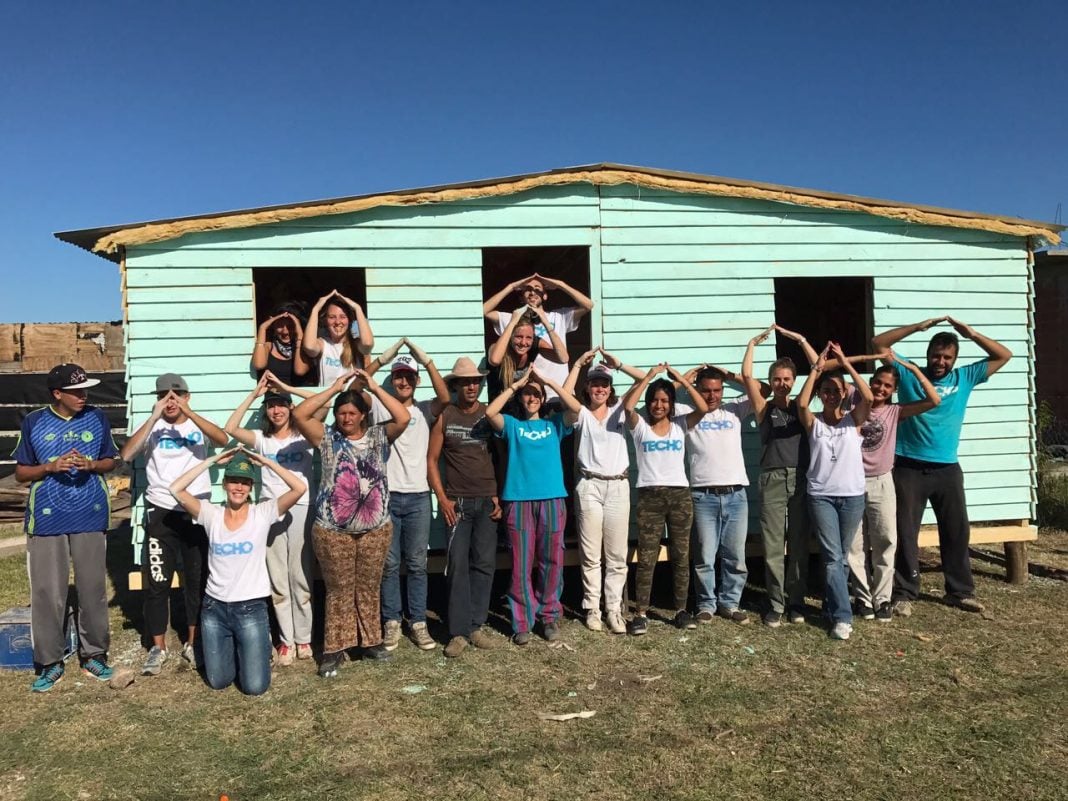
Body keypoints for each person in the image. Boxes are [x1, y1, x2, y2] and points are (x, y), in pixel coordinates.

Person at [872, 317, 1012, 615]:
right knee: (905, 532)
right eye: (936, 355)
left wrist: (971, 333)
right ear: (928, 354)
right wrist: (916, 326)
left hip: (947, 468)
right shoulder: (909, 374)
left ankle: (959, 591)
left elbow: (1003, 355)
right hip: (908, 466)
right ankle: (905, 593)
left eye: (947, 357)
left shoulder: (966, 377)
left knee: (956, 530)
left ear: (955, 359)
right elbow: (880, 345)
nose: (941, 361)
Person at [292, 369, 410, 678]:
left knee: (369, 587)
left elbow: (403, 417)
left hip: (376, 528)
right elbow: (300, 414)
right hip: (333, 531)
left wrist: (373, 386)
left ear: (362, 415)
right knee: (339, 589)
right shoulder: (327, 438)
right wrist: (334, 388)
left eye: (352, 413)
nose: (346, 418)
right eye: (341, 413)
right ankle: (334, 649)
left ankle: (370, 642)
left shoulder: (378, 437)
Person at [14, 364, 119, 693]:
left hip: (90, 513)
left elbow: (111, 460)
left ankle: (94, 654)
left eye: (86, 389)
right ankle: (50, 661)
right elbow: (21, 473)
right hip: (46, 519)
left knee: (92, 589)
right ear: (57, 394)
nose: (83, 395)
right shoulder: (34, 422)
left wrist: (90, 465)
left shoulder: (97, 417)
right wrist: (49, 466)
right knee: (48, 593)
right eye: (76, 391)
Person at [168, 447, 306, 695]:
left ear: (251, 487)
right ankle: (238, 647)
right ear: (225, 484)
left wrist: (264, 461)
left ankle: (259, 646)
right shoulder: (211, 514)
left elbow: (299, 488)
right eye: (234, 481)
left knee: (254, 686)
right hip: (214, 609)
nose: (239, 488)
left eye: (245, 482)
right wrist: (213, 460)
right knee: (219, 681)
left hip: (250, 608)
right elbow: (175, 489)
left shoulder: (262, 513)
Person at [120, 373, 229, 676]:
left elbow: (223, 440)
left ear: (187, 396)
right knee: (157, 582)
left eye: (177, 394)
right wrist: (154, 418)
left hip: (195, 511)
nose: (170, 400)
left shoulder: (196, 424)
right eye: (163, 395)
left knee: (197, 581)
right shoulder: (152, 428)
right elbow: (127, 454)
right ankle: (158, 647)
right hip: (161, 512)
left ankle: (193, 643)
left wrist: (189, 412)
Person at [224, 373, 317, 665]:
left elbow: (320, 405)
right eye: (271, 406)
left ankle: (304, 639)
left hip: (302, 505)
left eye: (281, 405)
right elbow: (231, 427)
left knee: (300, 576)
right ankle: (285, 641)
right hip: (270, 511)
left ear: (290, 407)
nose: (276, 410)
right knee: (278, 578)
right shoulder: (262, 440)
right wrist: (255, 395)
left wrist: (288, 388)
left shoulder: (305, 436)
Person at [365, 338, 450, 653]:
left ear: (416, 381)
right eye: (398, 376)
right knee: (389, 564)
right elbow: (362, 382)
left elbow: (445, 396)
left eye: (408, 376)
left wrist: (423, 358)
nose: (402, 381)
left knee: (416, 563)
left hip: (417, 498)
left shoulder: (426, 409)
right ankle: (391, 622)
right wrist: (385, 358)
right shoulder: (379, 406)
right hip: (386, 497)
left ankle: (417, 621)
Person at [485, 369, 580, 645]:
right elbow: (491, 413)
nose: (532, 398)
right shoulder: (513, 426)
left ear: (543, 398)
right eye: (529, 394)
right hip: (519, 501)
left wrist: (549, 383)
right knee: (520, 563)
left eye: (536, 394)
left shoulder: (554, 425)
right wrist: (515, 386)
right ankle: (522, 621)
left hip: (552, 499)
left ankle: (549, 616)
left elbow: (576, 408)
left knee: (552, 560)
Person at [845, 353, 940, 623]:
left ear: (893, 390)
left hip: (882, 481)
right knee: (855, 544)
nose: (880, 389)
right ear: (870, 382)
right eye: (877, 383)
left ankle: (882, 599)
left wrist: (911, 368)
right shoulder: (854, 398)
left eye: (887, 386)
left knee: (886, 539)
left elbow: (934, 400)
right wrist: (861, 358)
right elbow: (831, 367)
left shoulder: (894, 411)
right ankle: (863, 599)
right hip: (851, 481)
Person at [741, 324, 819, 627]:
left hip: (800, 477)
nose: (782, 384)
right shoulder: (765, 408)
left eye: (787, 379)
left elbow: (818, 367)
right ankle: (775, 603)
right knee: (773, 544)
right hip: (772, 478)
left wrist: (800, 337)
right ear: (771, 382)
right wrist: (752, 344)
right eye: (777, 379)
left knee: (799, 543)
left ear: (794, 381)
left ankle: (796, 602)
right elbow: (747, 376)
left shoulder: (803, 406)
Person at [563, 348, 644, 634]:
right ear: (587, 387)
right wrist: (577, 365)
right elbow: (563, 393)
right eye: (595, 383)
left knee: (617, 554)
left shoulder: (621, 410)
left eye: (604, 383)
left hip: (618, 485)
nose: (599, 388)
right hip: (589, 485)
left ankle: (614, 610)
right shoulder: (581, 413)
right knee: (590, 554)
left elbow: (643, 379)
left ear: (610, 389)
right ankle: (592, 609)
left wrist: (617, 363)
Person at [623, 364, 708, 635]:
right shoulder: (639, 427)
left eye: (664, 400)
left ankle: (681, 610)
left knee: (681, 555)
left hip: (679, 496)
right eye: (654, 400)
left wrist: (681, 380)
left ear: (672, 404)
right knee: (646, 557)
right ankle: (641, 613)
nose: (659, 405)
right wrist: (648, 378)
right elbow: (627, 407)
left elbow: (704, 408)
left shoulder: (681, 424)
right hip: (649, 496)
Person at [795, 343, 873, 640]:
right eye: (825, 390)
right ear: (820, 394)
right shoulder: (813, 421)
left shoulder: (854, 419)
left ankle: (830, 605)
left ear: (844, 393)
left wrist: (843, 362)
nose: (830, 395)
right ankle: (843, 617)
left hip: (852, 495)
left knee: (839, 557)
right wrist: (817, 369)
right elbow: (801, 403)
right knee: (831, 555)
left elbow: (867, 396)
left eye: (836, 390)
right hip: (822, 496)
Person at [427, 357, 503, 658]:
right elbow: (431, 460)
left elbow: (501, 457)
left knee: (484, 564)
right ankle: (457, 632)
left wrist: (499, 495)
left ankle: (475, 625)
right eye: (465, 382)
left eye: (476, 381)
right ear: (455, 385)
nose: (472, 386)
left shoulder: (489, 414)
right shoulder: (446, 414)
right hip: (456, 504)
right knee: (457, 566)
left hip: (486, 501)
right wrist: (442, 498)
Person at [677, 364, 756, 626]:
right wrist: (689, 377)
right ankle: (706, 605)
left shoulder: (734, 409)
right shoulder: (686, 412)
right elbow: (666, 393)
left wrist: (730, 375)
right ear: (696, 391)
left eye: (717, 390)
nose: (712, 396)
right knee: (705, 555)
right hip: (703, 495)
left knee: (735, 555)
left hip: (736, 493)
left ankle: (730, 603)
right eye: (706, 391)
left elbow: (761, 390)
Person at [483, 273, 593, 398]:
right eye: (528, 289)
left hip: (558, 390)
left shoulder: (558, 316)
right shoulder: (513, 318)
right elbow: (482, 311)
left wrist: (560, 285)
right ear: (521, 297)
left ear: (545, 295)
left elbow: (588, 305)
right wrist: (512, 286)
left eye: (537, 289)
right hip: (530, 393)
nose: (532, 292)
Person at [486, 304, 568, 401]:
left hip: (522, 406)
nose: (523, 343)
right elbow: (495, 360)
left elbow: (563, 358)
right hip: (498, 406)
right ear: (511, 336)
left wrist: (546, 323)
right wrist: (512, 323)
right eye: (519, 337)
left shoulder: (535, 344)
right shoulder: (500, 347)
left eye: (528, 337)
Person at [302, 290, 375, 385]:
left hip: (350, 398)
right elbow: (309, 346)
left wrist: (357, 308)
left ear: (349, 321)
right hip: (328, 398)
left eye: (343, 317)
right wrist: (316, 309)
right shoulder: (323, 344)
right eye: (332, 317)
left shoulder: (356, 344)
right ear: (325, 321)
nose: (337, 322)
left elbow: (368, 343)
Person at [250, 303, 312, 386]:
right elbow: (258, 365)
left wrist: (299, 335)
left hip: (298, 397)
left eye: (291, 326)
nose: (285, 331)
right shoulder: (269, 346)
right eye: (280, 325)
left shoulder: (306, 347)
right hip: (273, 397)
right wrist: (262, 328)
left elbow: (300, 371)